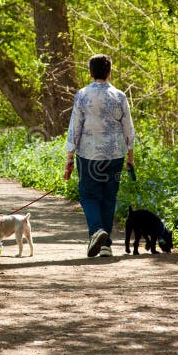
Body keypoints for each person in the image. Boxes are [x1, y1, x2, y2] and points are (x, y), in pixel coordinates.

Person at [65, 54, 135, 257]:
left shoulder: (83, 95)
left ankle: (97, 231)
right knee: (108, 196)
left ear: (90, 72)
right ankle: (106, 245)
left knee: (88, 195)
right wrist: (130, 158)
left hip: (89, 155)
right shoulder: (120, 96)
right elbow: (128, 130)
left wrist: (69, 157)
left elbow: (74, 128)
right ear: (109, 71)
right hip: (114, 154)